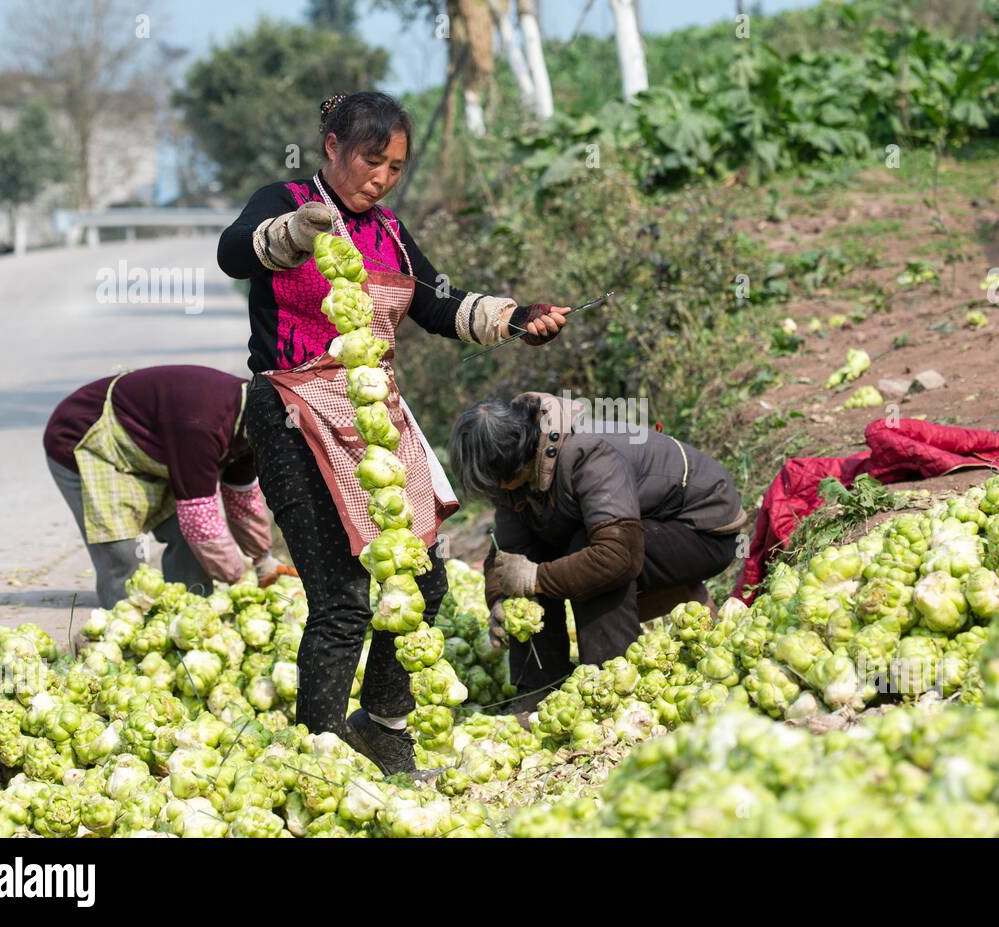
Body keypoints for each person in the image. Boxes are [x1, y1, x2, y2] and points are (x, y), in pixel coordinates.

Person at [218, 90, 569, 773]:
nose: (380, 178)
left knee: (426, 581)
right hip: (292, 408)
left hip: (373, 413)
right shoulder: (281, 198)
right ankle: (316, 756)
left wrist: (514, 317)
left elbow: (439, 303)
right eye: (370, 161)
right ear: (332, 149)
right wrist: (293, 233)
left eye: (395, 169)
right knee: (343, 598)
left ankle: (382, 722)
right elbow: (236, 253)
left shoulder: (389, 232)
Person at [449, 392, 746, 710]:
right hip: (632, 528)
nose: (502, 491)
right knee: (528, 570)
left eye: (503, 481)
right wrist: (500, 601)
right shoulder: (511, 476)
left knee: (589, 557)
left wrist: (536, 577)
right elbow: (510, 552)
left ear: (519, 457)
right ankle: (539, 686)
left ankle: (610, 682)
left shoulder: (588, 453)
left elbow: (617, 556)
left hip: (698, 530)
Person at [43, 366, 285, 608]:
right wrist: (239, 581)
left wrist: (263, 560)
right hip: (88, 439)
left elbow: (242, 500)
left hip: (144, 452)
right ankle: (122, 613)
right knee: (122, 550)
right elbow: (199, 518)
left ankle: (192, 605)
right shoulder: (204, 424)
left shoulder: (252, 429)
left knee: (186, 537)